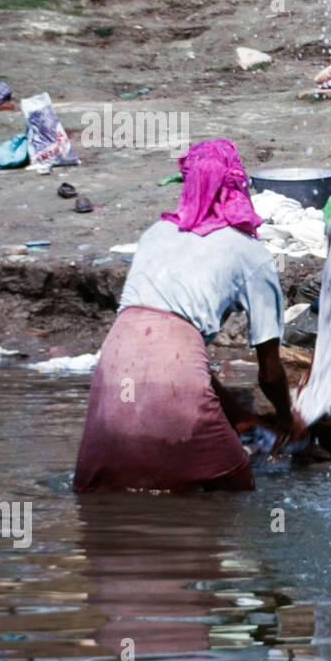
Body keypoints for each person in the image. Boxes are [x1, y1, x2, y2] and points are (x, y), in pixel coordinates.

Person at [74, 139, 304, 494]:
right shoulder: (251, 254)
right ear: (239, 184)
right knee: (238, 492)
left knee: (106, 492)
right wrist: (288, 419)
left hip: (111, 372)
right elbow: (270, 372)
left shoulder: (155, 234)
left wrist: (242, 417)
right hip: (177, 380)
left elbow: (160, 359)